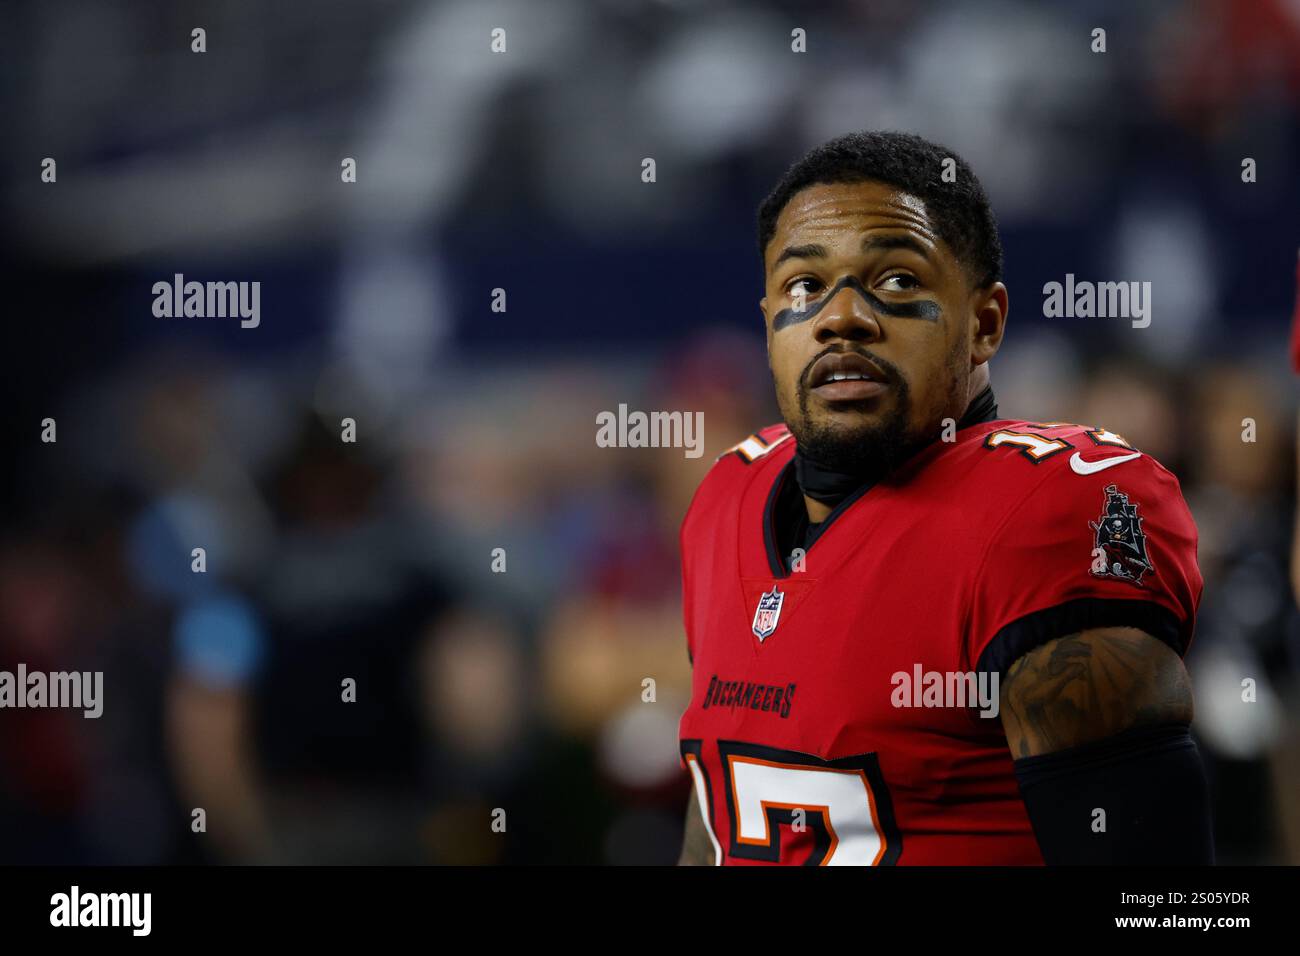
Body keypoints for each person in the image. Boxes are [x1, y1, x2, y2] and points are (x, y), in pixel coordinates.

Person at [676, 131, 1213, 865]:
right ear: (769, 321)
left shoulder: (1046, 511)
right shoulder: (727, 496)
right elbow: (721, 823)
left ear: (984, 323)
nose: (841, 317)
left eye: (897, 280)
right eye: (804, 286)